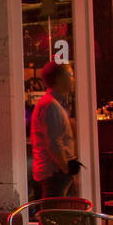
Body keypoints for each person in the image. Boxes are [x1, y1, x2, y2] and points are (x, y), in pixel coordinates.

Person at [31, 61, 79, 198]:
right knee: (54, 215)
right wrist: (66, 169)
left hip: (56, 173)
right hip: (55, 174)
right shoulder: (50, 106)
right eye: (70, 74)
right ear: (59, 78)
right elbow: (54, 143)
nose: (73, 79)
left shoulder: (53, 104)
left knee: (57, 214)